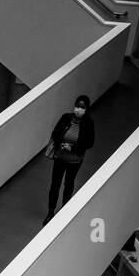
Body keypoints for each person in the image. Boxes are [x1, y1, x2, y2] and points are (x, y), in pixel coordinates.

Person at [43, 94, 96, 223]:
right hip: (60, 156)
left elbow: (89, 143)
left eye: (82, 107)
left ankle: (64, 212)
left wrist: (72, 148)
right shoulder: (66, 117)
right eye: (77, 106)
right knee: (55, 184)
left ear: (86, 109)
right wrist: (61, 143)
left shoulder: (89, 123)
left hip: (74, 159)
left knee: (69, 184)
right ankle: (51, 212)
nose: (78, 109)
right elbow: (55, 133)